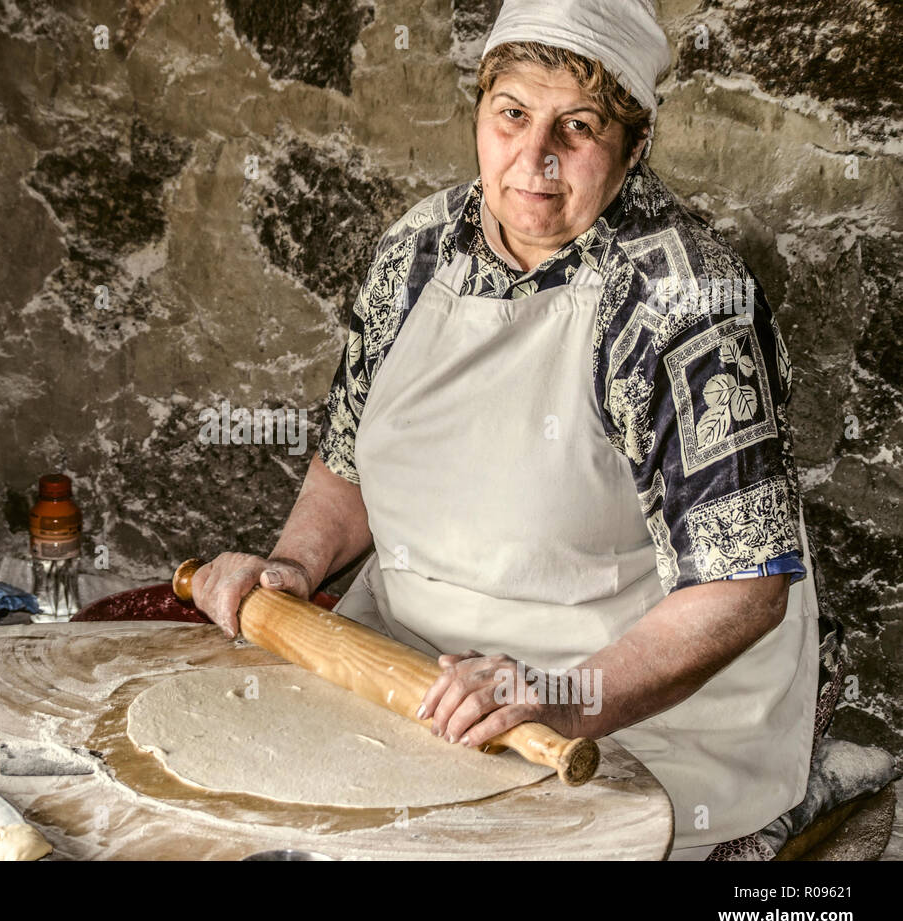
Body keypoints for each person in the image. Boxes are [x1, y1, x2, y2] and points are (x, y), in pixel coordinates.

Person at [190, 0, 823, 859]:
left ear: (634, 148)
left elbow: (743, 589)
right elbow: (348, 468)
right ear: (481, 115)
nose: (536, 160)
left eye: (579, 127)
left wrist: (561, 696)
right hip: (412, 680)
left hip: (622, 725)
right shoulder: (416, 251)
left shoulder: (687, 304)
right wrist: (293, 567)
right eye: (513, 116)